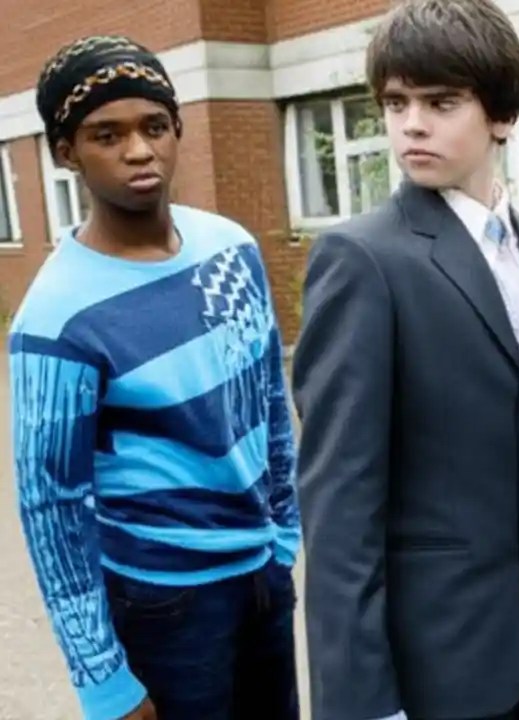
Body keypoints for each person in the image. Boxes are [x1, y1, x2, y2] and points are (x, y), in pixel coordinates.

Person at [290, 1, 519, 719]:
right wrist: (361, 701)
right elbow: (340, 505)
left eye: (441, 102)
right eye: (397, 102)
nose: (412, 123)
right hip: (431, 670)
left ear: (501, 115)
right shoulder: (362, 261)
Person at [10, 35, 301, 720]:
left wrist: (284, 534)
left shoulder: (231, 247)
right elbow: (53, 508)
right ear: (66, 153)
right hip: (163, 604)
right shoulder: (54, 319)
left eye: (153, 126)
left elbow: (267, 401)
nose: (138, 151)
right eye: (106, 135)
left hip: (261, 575)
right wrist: (103, 679)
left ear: (176, 131)